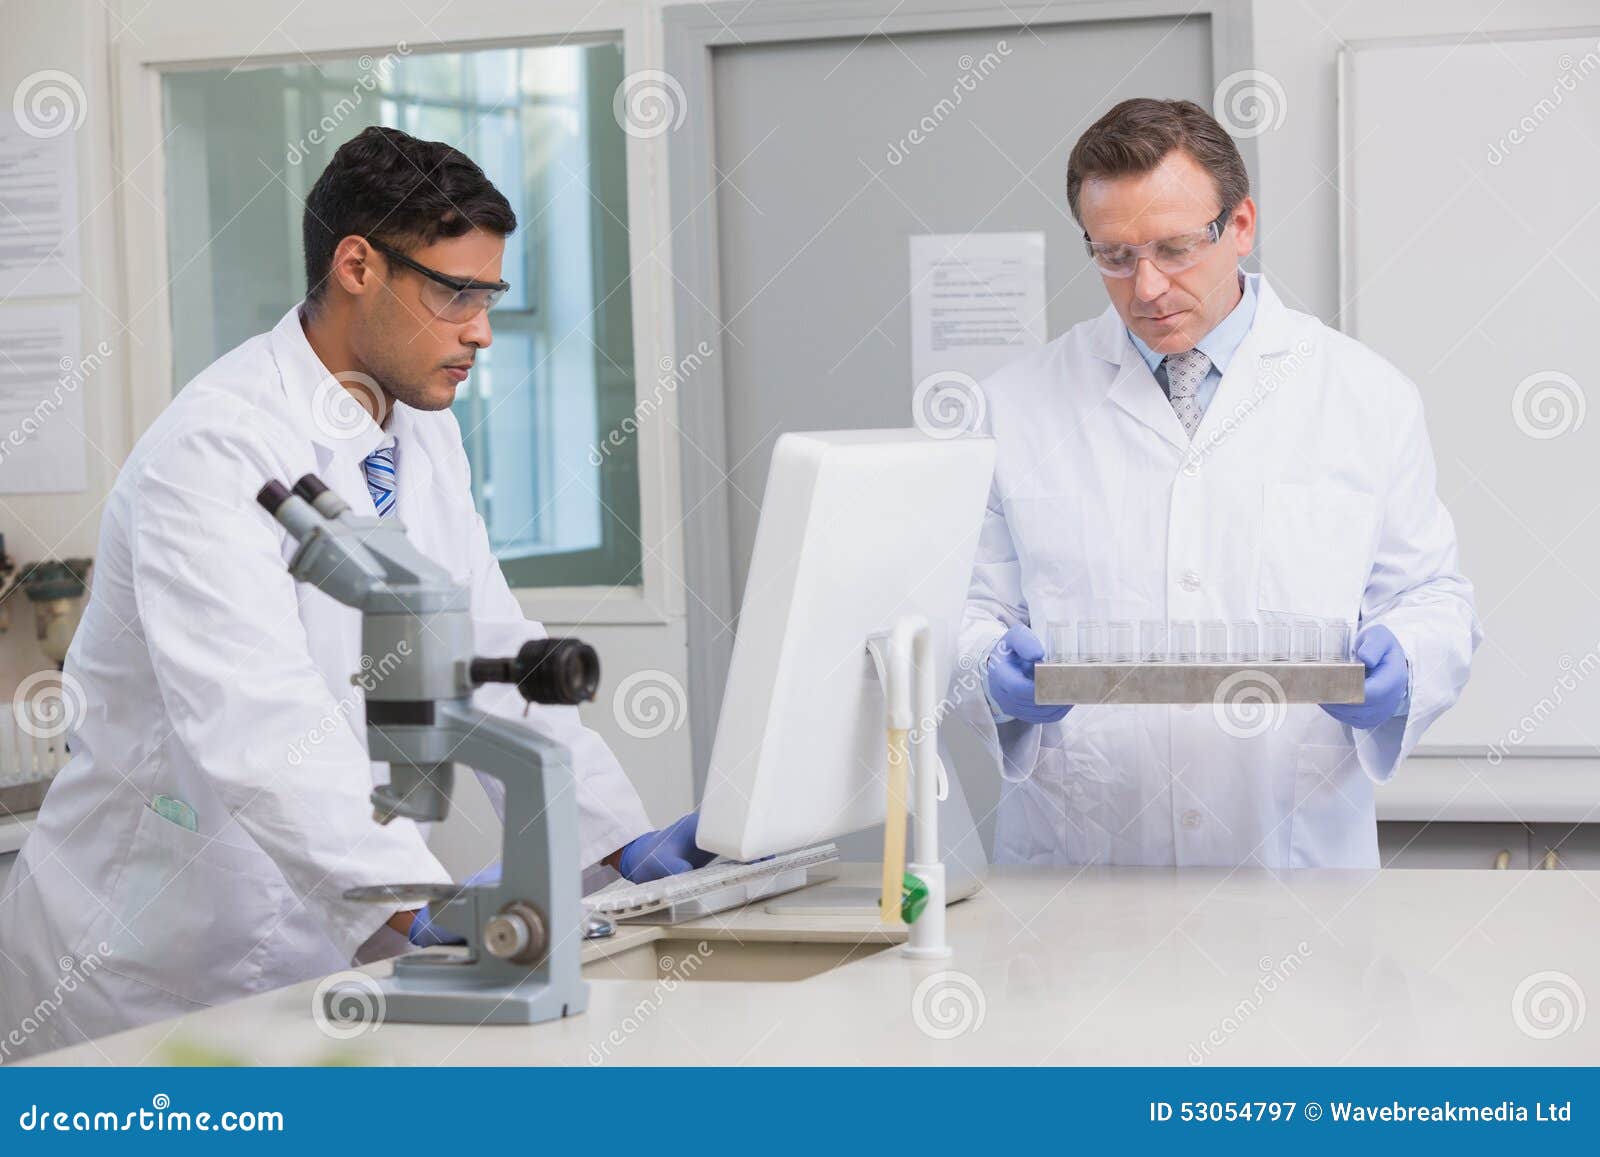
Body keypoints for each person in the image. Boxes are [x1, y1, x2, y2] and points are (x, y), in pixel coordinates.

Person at [0, 127, 711, 1058]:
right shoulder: (213, 450)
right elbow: (257, 719)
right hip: (145, 966)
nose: (482, 329)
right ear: (357, 266)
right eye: (455, 293)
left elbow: (489, 652)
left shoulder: (417, 430)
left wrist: (621, 843)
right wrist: (415, 902)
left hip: (310, 961)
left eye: (490, 295)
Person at [961, 99, 1480, 869]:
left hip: (1294, 867)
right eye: (1113, 255)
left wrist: (1405, 655)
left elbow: (1433, 596)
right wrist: (984, 664)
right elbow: (967, 607)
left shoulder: (1364, 395)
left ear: (1240, 225)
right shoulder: (1016, 405)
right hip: (1081, 872)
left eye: (1174, 248)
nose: (1146, 287)